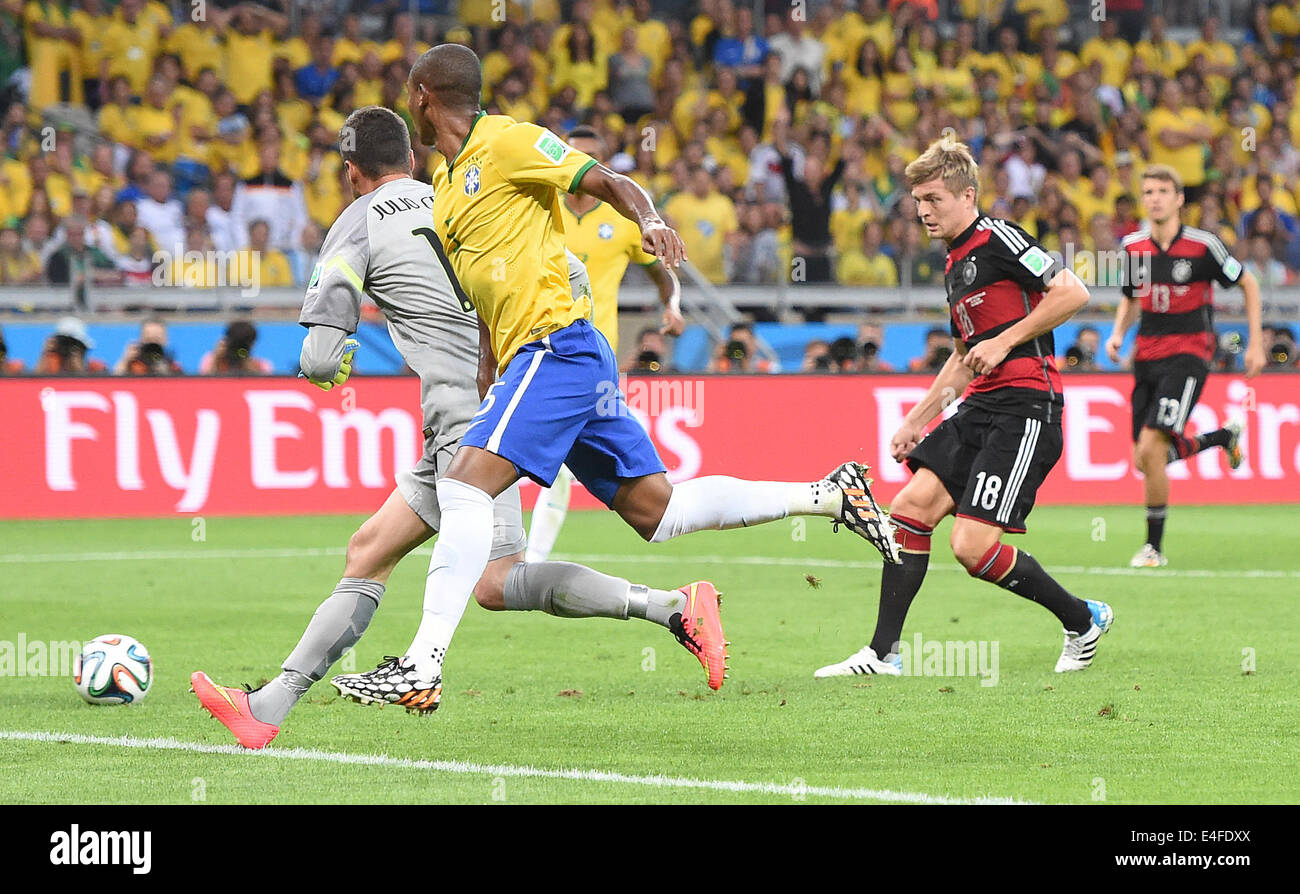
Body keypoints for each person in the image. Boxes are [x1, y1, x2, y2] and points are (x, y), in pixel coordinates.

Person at [329, 46, 900, 713]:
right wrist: (489, 372)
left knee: (462, 486)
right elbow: (484, 295)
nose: (408, 108)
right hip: (541, 362)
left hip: (559, 348)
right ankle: (829, 495)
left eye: (408, 95)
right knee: (660, 512)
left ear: (423, 95)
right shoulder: (449, 189)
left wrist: (651, 220)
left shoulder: (508, 141)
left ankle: (421, 666)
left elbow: (607, 181)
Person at [817, 135, 1113, 679]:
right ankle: (883, 654)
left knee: (972, 548)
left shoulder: (998, 237)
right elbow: (961, 357)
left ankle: (1081, 620)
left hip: (1027, 405)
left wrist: (1005, 341)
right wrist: (916, 418)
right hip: (981, 405)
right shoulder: (955, 264)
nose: (924, 211)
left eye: (934, 199)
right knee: (908, 510)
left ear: (968, 194)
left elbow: (1072, 292)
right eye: (918, 201)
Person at [524, 124, 683, 564]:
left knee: (551, 461)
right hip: (543, 348)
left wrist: (672, 305)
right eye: (576, 155)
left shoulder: (620, 219)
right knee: (557, 463)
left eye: (593, 157)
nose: (583, 165)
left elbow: (661, 272)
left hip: (596, 359)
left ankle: (525, 566)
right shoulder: (541, 207)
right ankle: (524, 565)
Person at [1107, 165, 1265, 569]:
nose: (1155, 198)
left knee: (1150, 448)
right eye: (1148, 191)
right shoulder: (1132, 247)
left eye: (1163, 190)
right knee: (1145, 458)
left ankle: (1153, 548)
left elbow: (1247, 283)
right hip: (1145, 356)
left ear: (1179, 199)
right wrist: (1116, 334)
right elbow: (1132, 297)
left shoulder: (1204, 246)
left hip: (1189, 355)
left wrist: (1256, 343)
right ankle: (1222, 437)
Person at [199, 319, 272, 374]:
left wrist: (245, 360)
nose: (238, 349)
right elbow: (204, 383)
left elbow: (264, 386)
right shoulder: (211, 360)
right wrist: (216, 358)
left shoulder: (262, 365)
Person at [114, 317, 181, 375]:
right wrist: (125, 360)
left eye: (156, 339)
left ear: (165, 340)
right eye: (148, 338)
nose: (152, 344)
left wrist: (165, 373)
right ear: (141, 339)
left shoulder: (171, 365)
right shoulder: (132, 363)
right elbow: (114, 383)